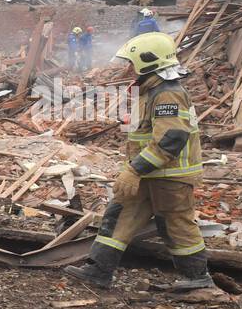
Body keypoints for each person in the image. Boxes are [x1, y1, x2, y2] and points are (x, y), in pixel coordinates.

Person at [64, 31, 211, 291]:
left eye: (132, 63)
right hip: (147, 175)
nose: (129, 68)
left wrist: (134, 169)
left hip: (170, 177)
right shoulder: (150, 90)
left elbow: (171, 138)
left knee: (175, 225)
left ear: (149, 61)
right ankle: (98, 270)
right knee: (118, 215)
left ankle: (197, 278)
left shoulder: (167, 93)